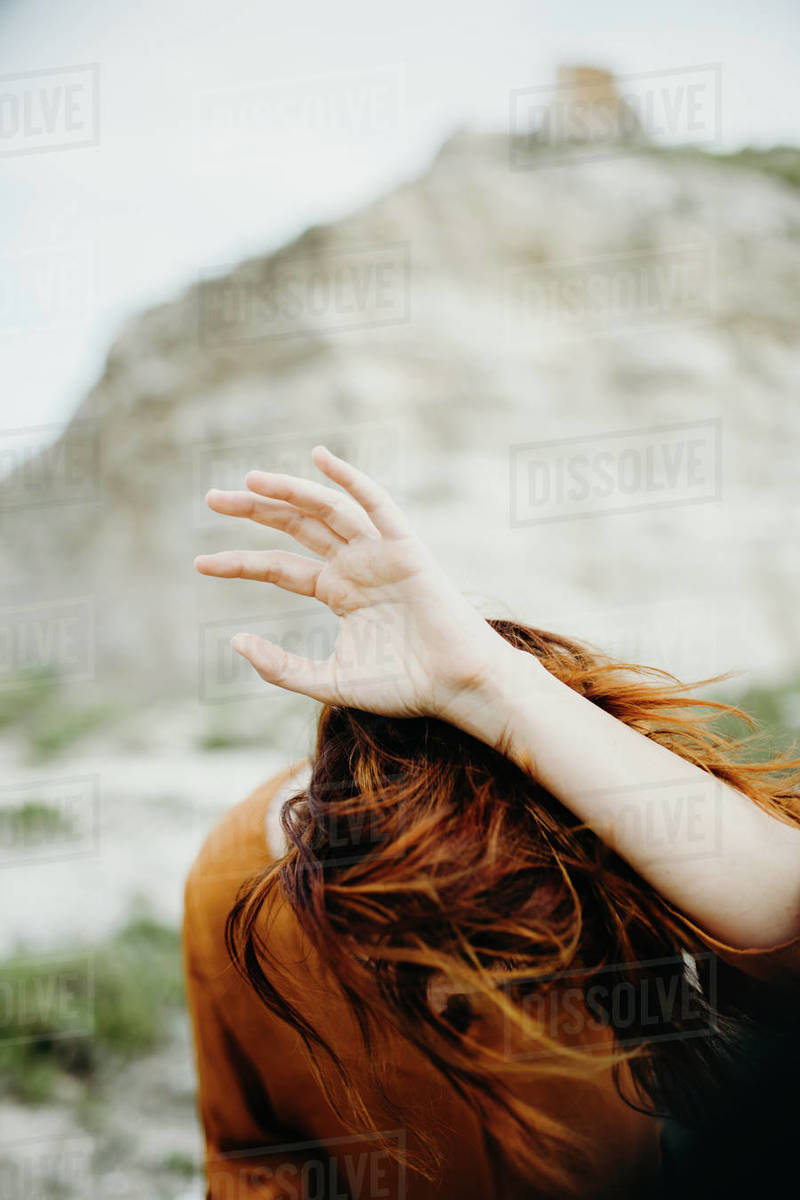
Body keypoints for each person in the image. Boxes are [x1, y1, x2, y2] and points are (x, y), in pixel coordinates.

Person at [186, 446, 800, 1199]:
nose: (467, 1000)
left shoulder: (612, 857)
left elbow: (785, 924)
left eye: (525, 967)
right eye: (422, 965)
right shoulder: (234, 878)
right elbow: (252, 1158)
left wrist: (490, 682)